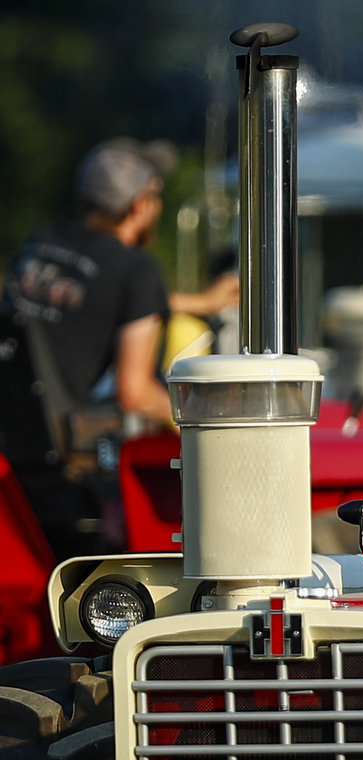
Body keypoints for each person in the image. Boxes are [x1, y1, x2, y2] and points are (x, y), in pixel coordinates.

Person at [0, 137, 238, 557]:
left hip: (12, 460)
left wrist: (199, 301)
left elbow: (90, 303)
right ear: (140, 205)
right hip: (58, 474)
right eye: (156, 196)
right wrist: (211, 417)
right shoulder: (135, 269)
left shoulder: (39, 244)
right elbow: (134, 392)